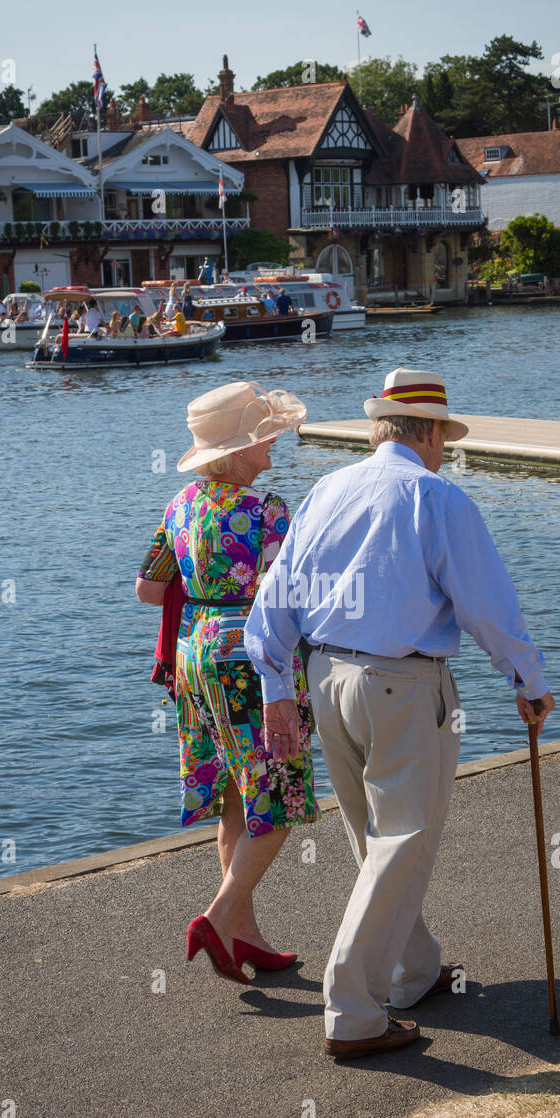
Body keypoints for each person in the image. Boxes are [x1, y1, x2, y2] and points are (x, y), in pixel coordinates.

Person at [244, 367, 555, 1060]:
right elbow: (487, 606)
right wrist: (527, 680)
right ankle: (352, 1010)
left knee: (374, 839)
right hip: (403, 683)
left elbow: (275, 601)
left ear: (381, 428)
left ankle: (413, 971)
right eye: (444, 435)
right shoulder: (436, 497)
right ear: (433, 433)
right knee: (402, 840)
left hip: (326, 678)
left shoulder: (327, 490)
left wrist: (277, 693)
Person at [135, 381, 318, 984]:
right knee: (278, 793)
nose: (271, 451)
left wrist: (206, 577)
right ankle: (216, 918)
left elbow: (149, 590)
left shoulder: (181, 503)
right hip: (251, 658)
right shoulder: (268, 512)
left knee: (237, 794)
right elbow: (296, 597)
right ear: (238, 452)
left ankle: (246, 935)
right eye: (265, 440)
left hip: (194, 652)